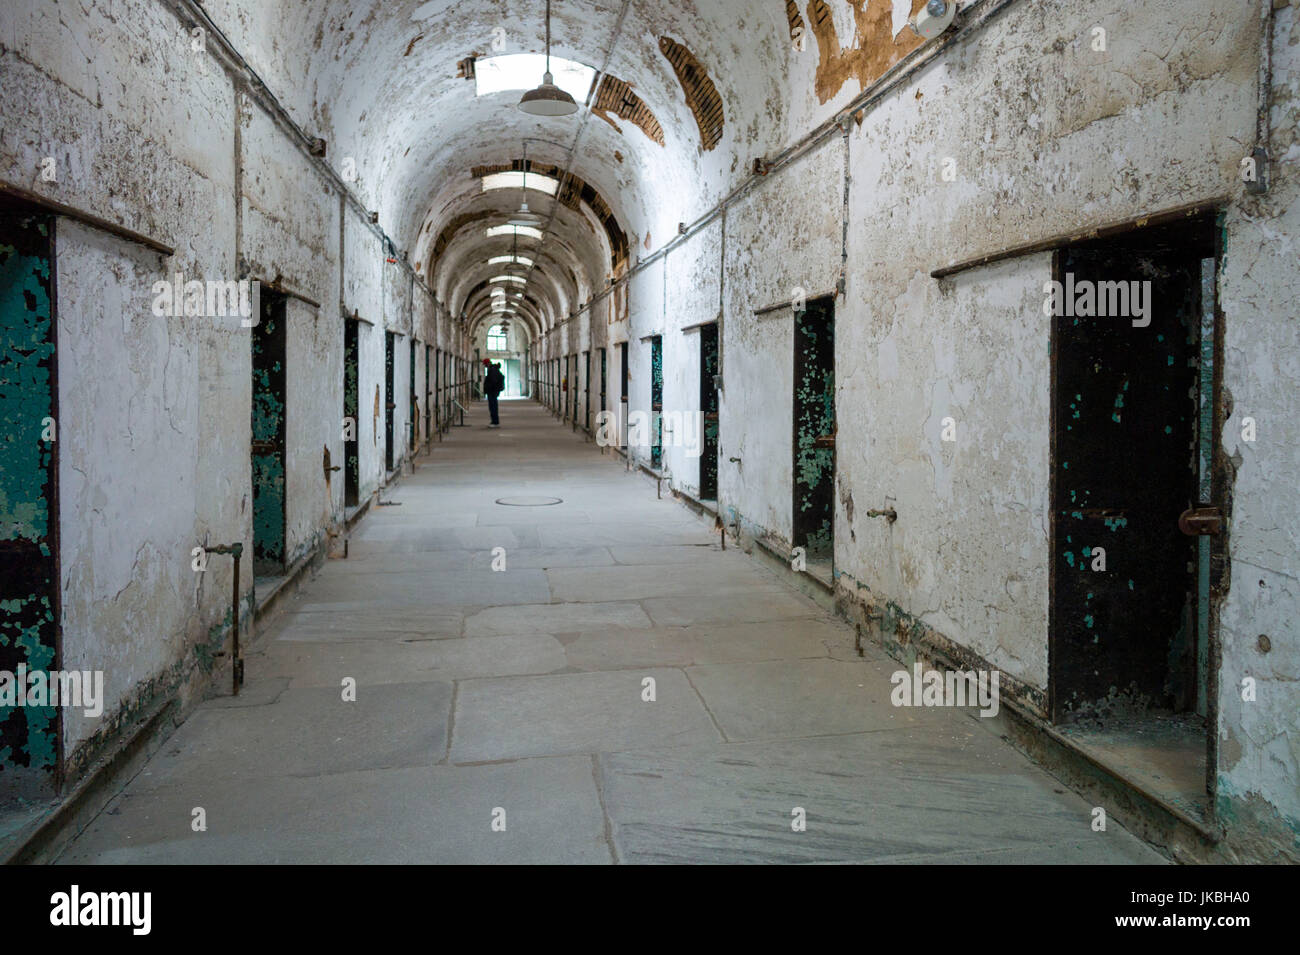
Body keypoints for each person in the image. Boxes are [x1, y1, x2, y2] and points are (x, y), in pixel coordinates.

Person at [484, 361, 505, 428]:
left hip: (492, 391)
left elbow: (493, 381)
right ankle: (494, 421)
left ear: (488, 363)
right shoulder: (494, 369)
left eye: (485, 364)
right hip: (493, 391)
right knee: (493, 406)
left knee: (493, 407)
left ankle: (495, 422)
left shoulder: (492, 370)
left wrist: (489, 387)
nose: (485, 366)